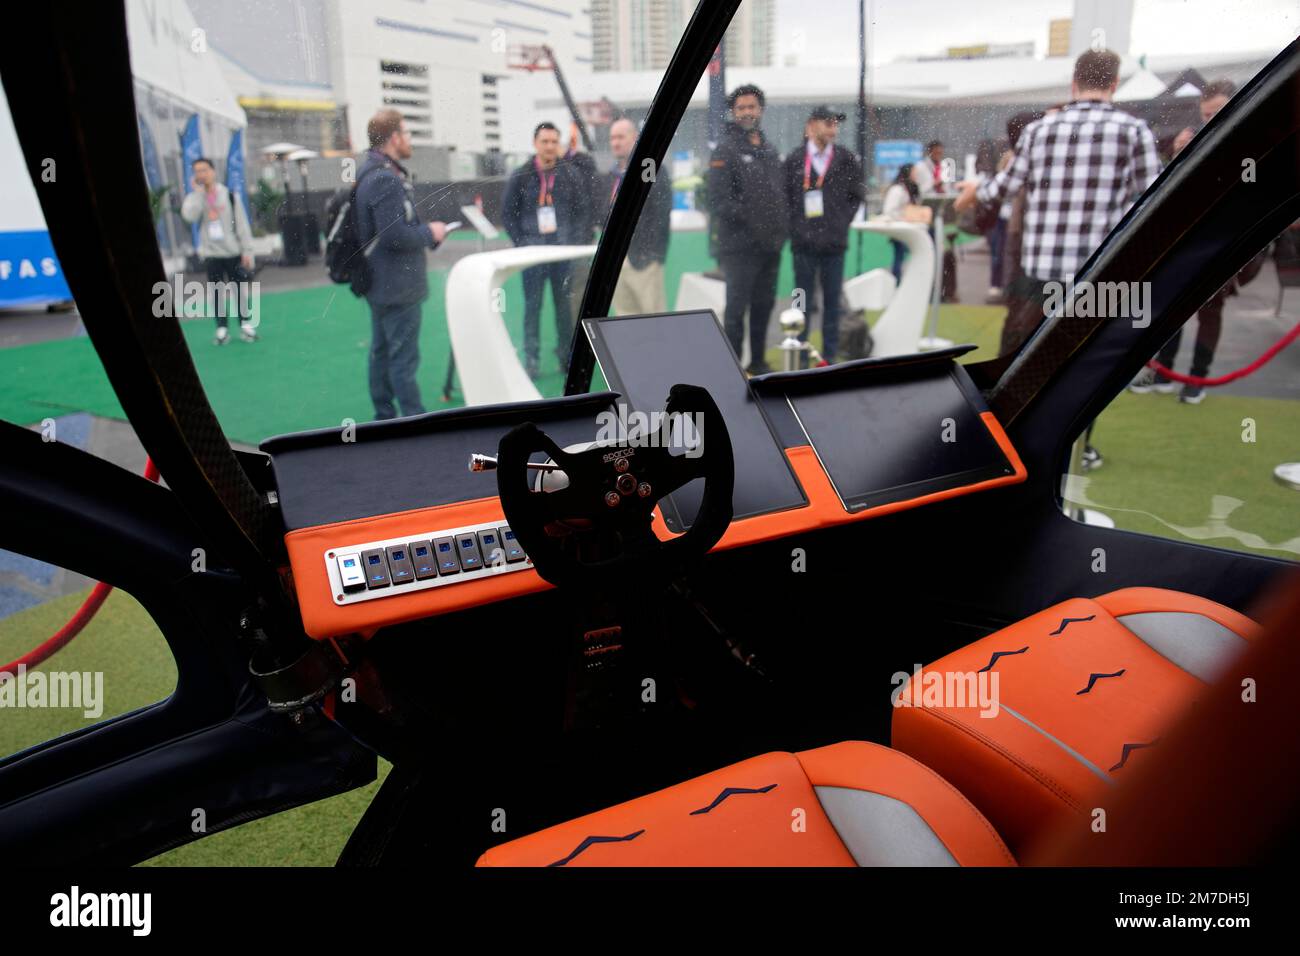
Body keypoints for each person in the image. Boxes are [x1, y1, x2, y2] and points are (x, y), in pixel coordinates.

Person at [955, 49, 1161, 470]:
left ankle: (1006, 443)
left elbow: (1003, 190)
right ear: (1114, 83)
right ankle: (1075, 446)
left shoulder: (1042, 129)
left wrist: (973, 189)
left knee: (1018, 361)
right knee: (1085, 367)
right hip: (1097, 276)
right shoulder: (1133, 130)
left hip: (1037, 274)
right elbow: (1151, 204)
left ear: (1074, 81)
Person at [1131, 80, 1237, 404]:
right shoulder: (1193, 138)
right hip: (1184, 238)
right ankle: (1164, 371)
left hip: (1223, 239)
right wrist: (1178, 153)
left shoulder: (1248, 138)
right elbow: (1166, 189)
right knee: (1172, 306)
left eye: (1216, 112)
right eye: (1206, 114)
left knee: (1210, 310)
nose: (1210, 119)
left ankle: (1196, 378)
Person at [354, 108, 449, 420]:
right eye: (406, 134)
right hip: (397, 287)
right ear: (394, 138)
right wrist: (430, 232)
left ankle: (384, 416)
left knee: (382, 353)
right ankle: (412, 420)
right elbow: (393, 235)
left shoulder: (371, 171)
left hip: (381, 285)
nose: (409, 140)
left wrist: (426, 236)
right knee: (402, 358)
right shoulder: (384, 177)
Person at [708, 84, 788, 374]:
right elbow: (718, 201)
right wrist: (756, 223)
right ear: (733, 112)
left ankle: (758, 363)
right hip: (739, 249)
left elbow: (780, 195)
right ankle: (732, 370)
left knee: (763, 308)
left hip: (770, 247)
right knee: (735, 312)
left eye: (751, 106)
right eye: (740, 108)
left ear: (761, 110)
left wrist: (780, 230)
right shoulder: (725, 149)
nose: (746, 112)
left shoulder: (769, 148)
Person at [502, 121, 590, 377]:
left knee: (564, 306)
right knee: (533, 306)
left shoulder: (571, 174)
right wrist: (522, 243)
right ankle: (532, 359)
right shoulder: (521, 174)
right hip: (532, 254)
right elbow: (508, 213)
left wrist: (572, 241)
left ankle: (565, 357)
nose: (550, 146)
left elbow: (582, 211)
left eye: (554, 142)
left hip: (562, 253)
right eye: (545, 141)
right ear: (535, 144)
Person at [781, 105, 866, 364]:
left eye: (836, 123)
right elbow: (784, 199)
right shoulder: (795, 160)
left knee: (833, 303)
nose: (833, 128)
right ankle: (801, 352)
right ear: (811, 126)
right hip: (803, 248)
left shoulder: (846, 159)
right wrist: (797, 229)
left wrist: (840, 223)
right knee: (801, 301)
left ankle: (828, 357)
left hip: (834, 246)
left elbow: (857, 196)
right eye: (827, 122)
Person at [180, 156, 256, 345]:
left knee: (238, 290)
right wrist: (198, 193)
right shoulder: (194, 197)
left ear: (213, 171)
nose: (201, 174)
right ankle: (222, 328)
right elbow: (189, 217)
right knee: (216, 292)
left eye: (204, 170)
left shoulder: (229, 195)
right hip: (211, 253)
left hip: (232, 252)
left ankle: (245, 324)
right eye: (197, 171)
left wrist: (247, 251)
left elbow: (242, 225)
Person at [881, 163, 921, 281]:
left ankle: (902, 281)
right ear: (908, 173)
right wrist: (903, 218)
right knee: (899, 257)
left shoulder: (911, 189)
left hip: (908, 230)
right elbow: (889, 211)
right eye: (914, 172)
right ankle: (896, 282)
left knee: (904, 256)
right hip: (899, 230)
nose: (916, 175)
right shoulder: (897, 190)